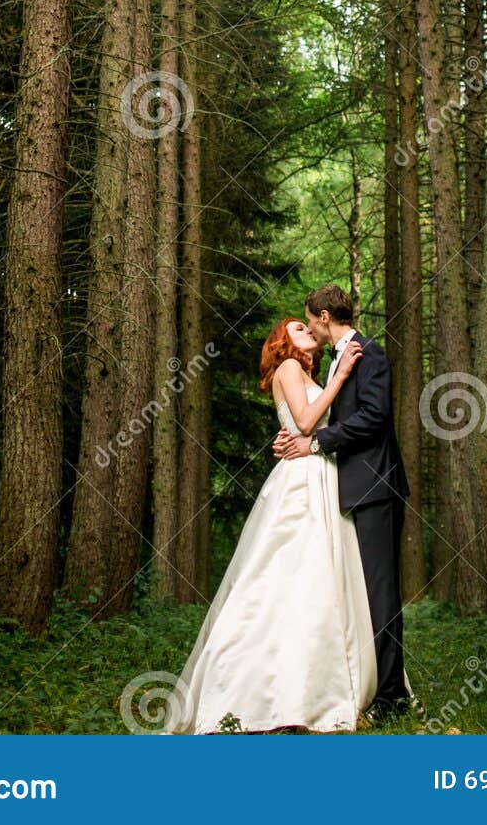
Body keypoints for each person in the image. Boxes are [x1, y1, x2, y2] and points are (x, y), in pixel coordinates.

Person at [164, 315, 376, 733]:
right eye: (298, 329)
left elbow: (303, 427)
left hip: (317, 469)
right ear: (282, 343)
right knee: (290, 576)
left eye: (307, 326)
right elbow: (305, 421)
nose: (307, 331)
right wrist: (342, 376)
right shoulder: (290, 367)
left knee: (312, 582)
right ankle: (263, 691)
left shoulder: (302, 371)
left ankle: (311, 685)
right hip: (303, 479)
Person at [273, 284, 411, 723]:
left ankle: (392, 699)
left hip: (375, 487)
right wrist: (296, 439)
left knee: (381, 595)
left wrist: (315, 443)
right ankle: (369, 687)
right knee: (362, 595)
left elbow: (374, 417)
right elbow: (311, 414)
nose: (310, 327)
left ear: (325, 317)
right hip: (347, 489)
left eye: (310, 320)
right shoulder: (333, 361)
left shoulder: (367, 352)